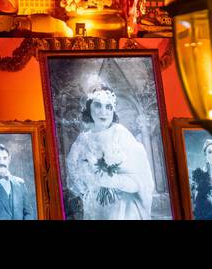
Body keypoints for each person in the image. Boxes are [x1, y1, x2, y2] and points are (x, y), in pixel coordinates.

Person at [65, 83, 155, 220]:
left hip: (122, 208)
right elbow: (73, 169)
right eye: (98, 105)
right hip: (94, 206)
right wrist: (88, 184)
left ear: (113, 110)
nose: (103, 112)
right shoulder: (83, 139)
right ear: (89, 108)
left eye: (108, 107)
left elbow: (139, 181)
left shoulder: (120, 133)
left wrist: (108, 180)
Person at [0, 143, 36, 220]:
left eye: (4, 158)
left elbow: (29, 212)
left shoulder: (20, 183)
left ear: (9, 159)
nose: (2, 162)